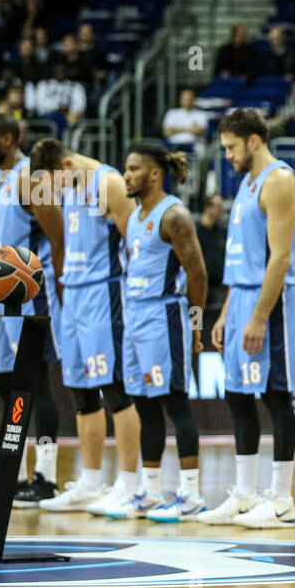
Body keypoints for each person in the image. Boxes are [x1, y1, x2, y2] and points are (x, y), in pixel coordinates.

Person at [198, 109, 295, 528]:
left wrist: (259, 317)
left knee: (275, 396)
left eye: (231, 147)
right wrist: (227, 312)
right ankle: (244, 495)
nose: (227, 155)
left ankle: (281, 501)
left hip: (271, 302)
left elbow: (280, 257)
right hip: (242, 297)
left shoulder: (279, 180)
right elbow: (242, 257)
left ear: (254, 140)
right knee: (238, 395)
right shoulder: (245, 183)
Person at [29, 139, 143, 516]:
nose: (54, 191)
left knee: (114, 387)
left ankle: (130, 484)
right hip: (72, 295)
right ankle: (91, 483)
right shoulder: (70, 183)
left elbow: (136, 244)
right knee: (80, 391)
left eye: (54, 181)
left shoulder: (109, 183)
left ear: (66, 162)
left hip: (104, 292)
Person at [0, 113, 64, 506]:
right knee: (6, 383)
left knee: (36, 383)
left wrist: (57, 283)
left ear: (10, 138)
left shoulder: (33, 177)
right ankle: (11, 470)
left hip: (29, 292)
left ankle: (45, 476)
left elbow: (58, 233)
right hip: (0, 292)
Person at [118, 144, 210, 522]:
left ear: (154, 174)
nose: (126, 175)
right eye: (125, 168)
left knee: (175, 403)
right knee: (144, 403)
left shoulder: (174, 215)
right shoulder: (135, 215)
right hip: (135, 316)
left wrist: (195, 327)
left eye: (133, 168)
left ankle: (191, 494)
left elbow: (199, 275)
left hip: (164, 314)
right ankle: (151, 490)